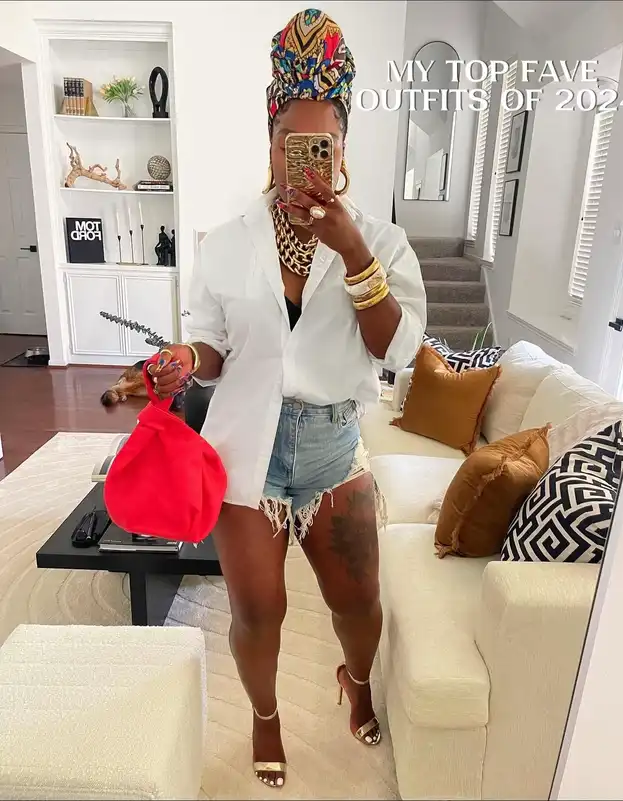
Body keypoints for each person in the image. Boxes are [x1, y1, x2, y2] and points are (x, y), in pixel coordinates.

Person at [150, 8, 427, 789]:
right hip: (248, 449)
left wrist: (353, 251)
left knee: (359, 603)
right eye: (286, 140)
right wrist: (185, 359)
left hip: (334, 446)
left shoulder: (381, 241)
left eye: (320, 143)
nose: (299, 156)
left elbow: (399, 351)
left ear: (342, 148)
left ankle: (356, 679)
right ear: (269, 143)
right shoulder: (226, 243)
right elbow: (212, 346)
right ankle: (266, 717)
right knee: (256, 611)